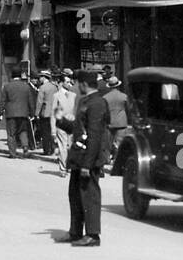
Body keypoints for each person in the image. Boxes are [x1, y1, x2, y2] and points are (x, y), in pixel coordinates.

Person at [62, 71, 111, 247]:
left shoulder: (98, 103)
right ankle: (75, 231)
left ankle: (92, 234)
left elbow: (95, 135)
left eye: (77, 83)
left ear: (83, 84)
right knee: (75, 195)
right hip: (78, 156)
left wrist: (88, 164)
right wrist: (61, 121)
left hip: (88, 158)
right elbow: (78, 129)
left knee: (89, 196)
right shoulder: (85, 101)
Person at [2, 66, 34, 157]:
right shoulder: (26, 86)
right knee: (23, 131)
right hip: (23, 113)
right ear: (20, 75)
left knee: (11, 134)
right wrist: (32, 113)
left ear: (12, 75)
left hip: (11, 114)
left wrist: (0, 112)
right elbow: (30, 101)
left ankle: (12, 153)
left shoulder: (7, 86)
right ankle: (25, 147)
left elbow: (3, 100)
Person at [51, 74, 78, 172]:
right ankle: (63, 168)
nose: (69, 84)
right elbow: (53, 113)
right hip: (61, 124)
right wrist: (53, 130)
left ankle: (69, 166)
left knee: (71, 146)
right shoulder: (56, 96)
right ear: (62, 83)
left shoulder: (73, 95)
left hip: (72, 124)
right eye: (67, 82)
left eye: (70, 82)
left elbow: (76, 110)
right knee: (62, 147)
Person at [103, 76, 129, 164]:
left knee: (107, 144)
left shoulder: (105, 97)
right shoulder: (124, 96)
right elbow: (128, 108)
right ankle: (117, 161)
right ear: (118, 85)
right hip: (121, 122)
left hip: (109, 122)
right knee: (119, 143)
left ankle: (106, 160)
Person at [34, 70, 59, 157]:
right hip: (54, 112)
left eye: (40, 77)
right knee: (52, 131)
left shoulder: (43, 87)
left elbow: (39, 102)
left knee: (45, 132)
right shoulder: (55, 87)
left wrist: (36, 113)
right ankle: (52, 148)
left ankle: (46, 149)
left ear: (44, 77)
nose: (39, 78)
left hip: (45, 112)